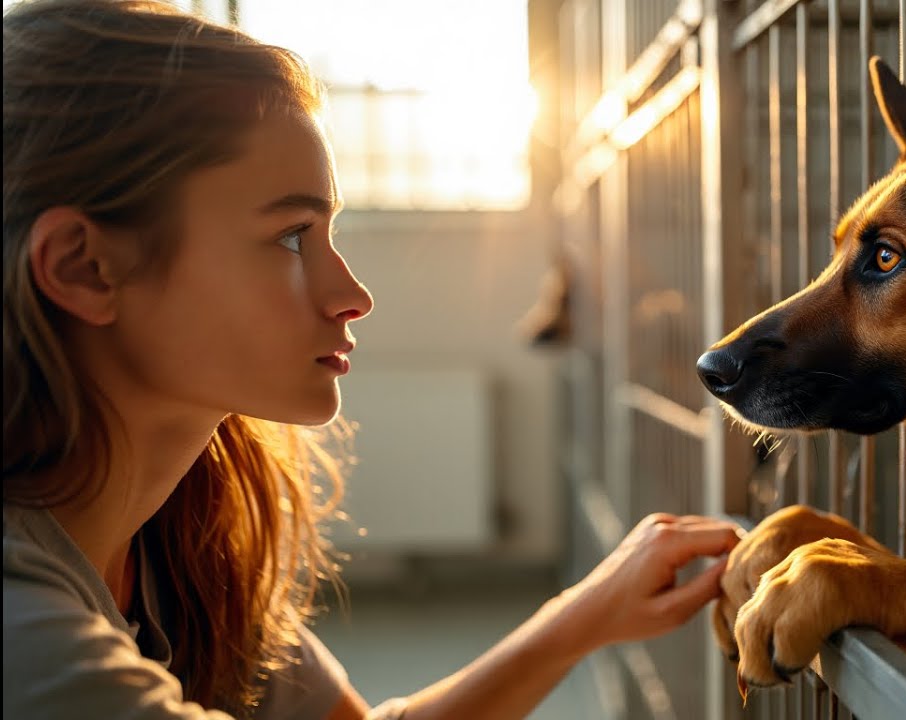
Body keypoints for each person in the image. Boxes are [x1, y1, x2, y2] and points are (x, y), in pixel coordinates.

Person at [0, 1, 742, 718]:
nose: (354, 295)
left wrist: (581, 618)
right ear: (82, 267)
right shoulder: (25, 640)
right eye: (293, 236)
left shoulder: (179, 551)